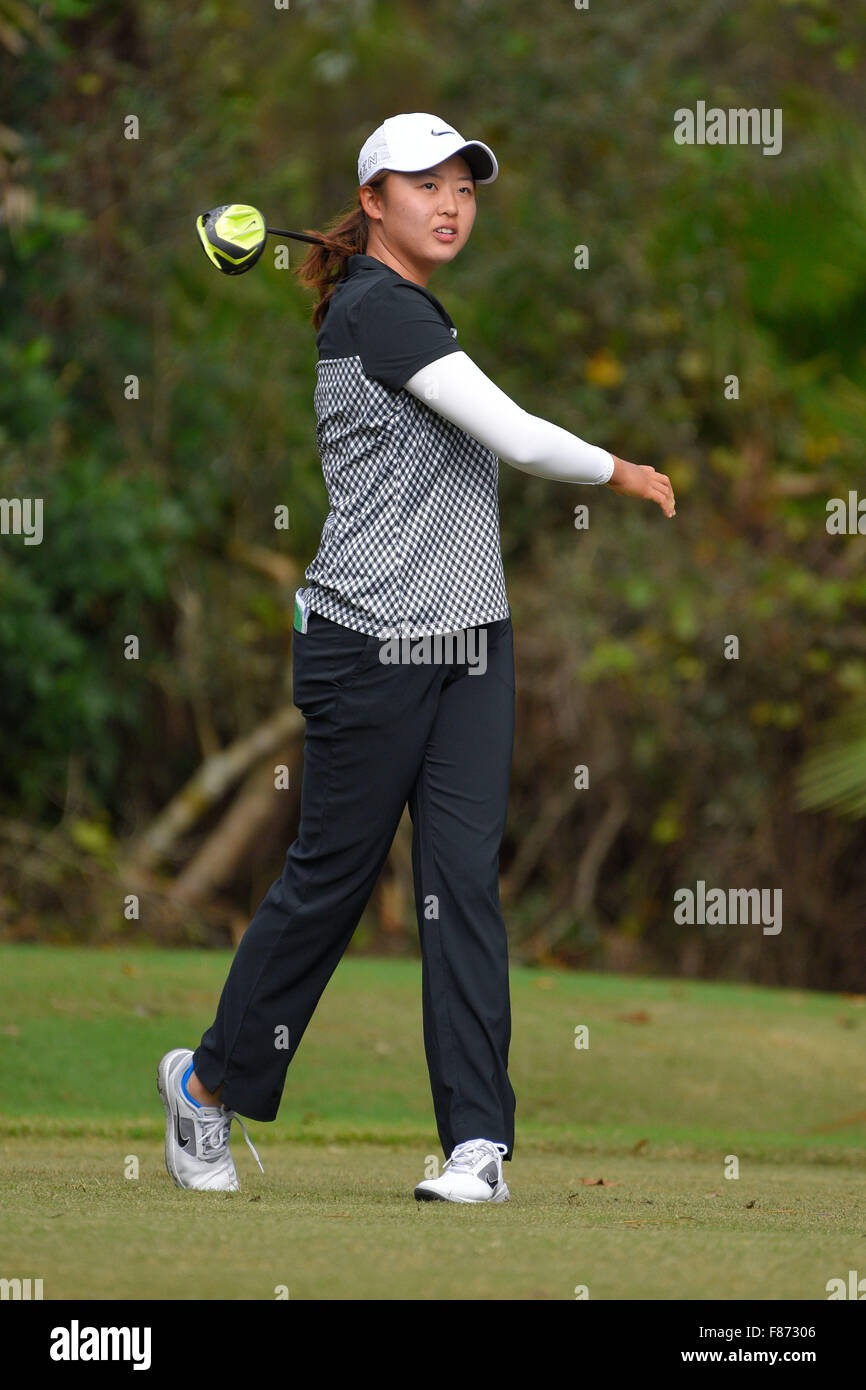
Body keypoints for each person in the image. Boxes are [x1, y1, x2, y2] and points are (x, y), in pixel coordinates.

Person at [158, 112, 675, 1204]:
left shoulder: (406, 305)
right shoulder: (375, 311)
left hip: (469, 640)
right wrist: (621, 468)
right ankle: (207, 1085)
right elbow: (519, 436)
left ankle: (476, 1147)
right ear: (374, 202)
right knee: (331, 886)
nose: (450, 202)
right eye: (424, 184)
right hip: (367, 641)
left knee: (460, 891)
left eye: (465, 187)